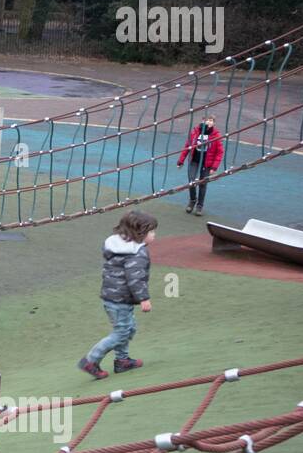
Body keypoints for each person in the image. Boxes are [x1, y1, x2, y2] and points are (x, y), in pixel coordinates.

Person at [78, 211, 158, 380]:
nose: (154, 235)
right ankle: (91, 361)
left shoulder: (115, 245)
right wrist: (144, 298)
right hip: (120, 299)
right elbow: (135, 277)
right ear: (141, 233)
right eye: (151, 232)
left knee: (129, 328)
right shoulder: (137, 253)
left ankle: (122, 360)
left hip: (112, 296)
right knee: (122, 332)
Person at [176, 112, 224, 216]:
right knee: (191, 180)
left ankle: (200, 206)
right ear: (202, 121)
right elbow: (187, 146)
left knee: (203, 183)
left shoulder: (216, 135)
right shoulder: (195, 132)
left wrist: (214, 167)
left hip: (207, 164)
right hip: (195, 160)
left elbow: (219, 152)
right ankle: (192, 200)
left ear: (213, 123)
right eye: (206, 120)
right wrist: (181, 161)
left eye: (211, 120)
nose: (208, 122)